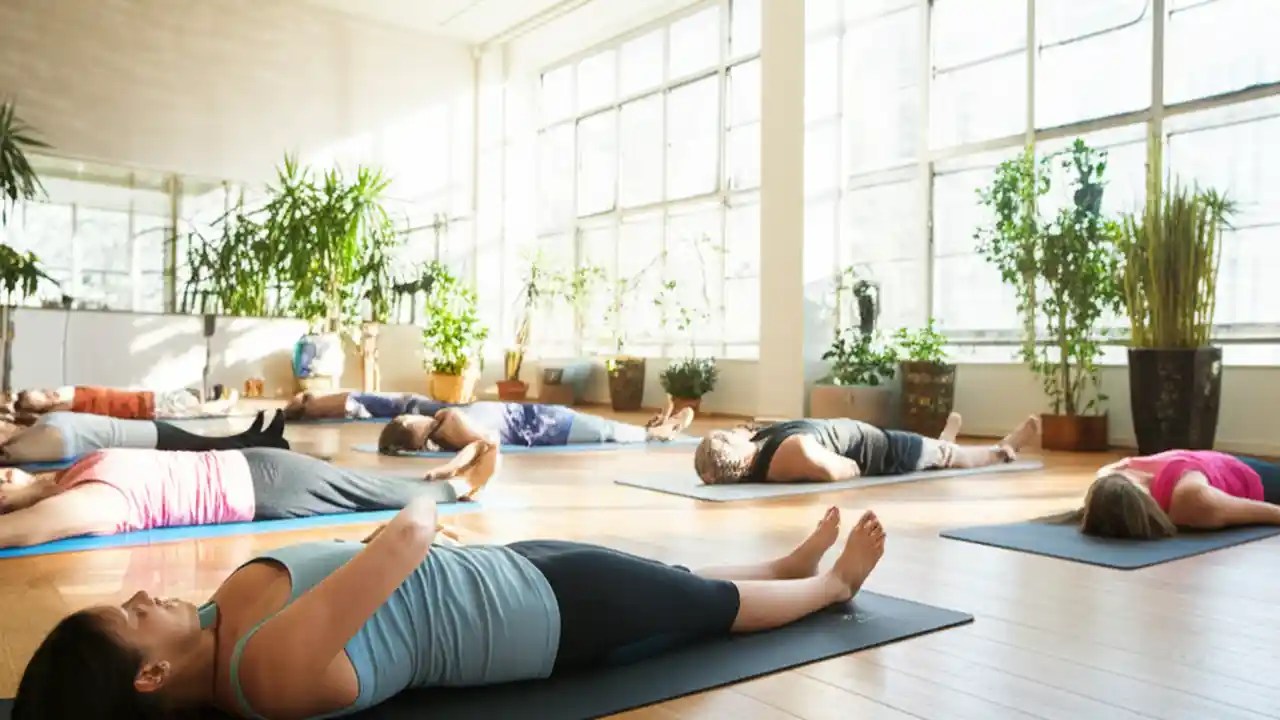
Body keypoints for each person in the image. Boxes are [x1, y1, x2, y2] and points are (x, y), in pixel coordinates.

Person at [13, 501, 886, 719]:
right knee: (704, 608)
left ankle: (782, 563)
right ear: (153, 673)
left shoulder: (213, 626)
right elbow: (398, 548)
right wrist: (425, 505)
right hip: (539, 614)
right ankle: (827, 588)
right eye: (128, 618)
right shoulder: (266, 674)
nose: (137, 596)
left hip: (501, 577)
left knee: (666, 579)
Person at [0, 439, 494, 548]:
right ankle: (458, 484)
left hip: (254, 465)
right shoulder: (88, 502)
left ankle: (449, 479)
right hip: (261, 492)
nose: (3, 480)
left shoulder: (67, 476)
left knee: (370, 489)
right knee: (374, 493)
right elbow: (15, 533)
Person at [694, 412, 1041, 485]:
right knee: (952, 458)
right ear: (731, 447)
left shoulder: (760, 445)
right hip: (883, 449)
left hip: (873, 435)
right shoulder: (789, 452)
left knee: (936, 452)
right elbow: (837, 469)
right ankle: (1003, 449)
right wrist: (854, 467)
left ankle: (942, 441)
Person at [1053, 449, 1280, 539]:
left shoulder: (1189, 500)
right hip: (1217, 465)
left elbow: (1273, 513)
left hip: (1242, 471)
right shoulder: (1190, 500)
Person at [377, 400, 695, 455]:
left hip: (538, 417)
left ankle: (654, 428)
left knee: (605, 427)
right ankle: (659, 432)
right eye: (404, 421)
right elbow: (488, 443)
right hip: (543, 425)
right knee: (605, 430)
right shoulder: (449, 425)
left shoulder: (444, 422)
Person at [0, 409, 289, 465]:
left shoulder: (33, 428)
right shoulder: (39, 439)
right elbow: (14, 454)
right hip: (143, 442)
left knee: (207, 443)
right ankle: (262, 444)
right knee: (206, 448)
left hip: (145, 431)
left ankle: (252, 437)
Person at [11, 385, 240, 421]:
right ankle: (221, 404)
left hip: (145, 401)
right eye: (39, 400)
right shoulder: (61, 409)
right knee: (190, 409)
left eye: (42, 392)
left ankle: (218, 402)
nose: (49, 395)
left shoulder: (66, 393)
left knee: (186, 404)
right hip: (145, 408)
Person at [284, 390, 449, 421]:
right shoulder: (314, 405)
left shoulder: (317, 402)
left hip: (407, 403)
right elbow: (352, 407)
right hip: (407, 404)